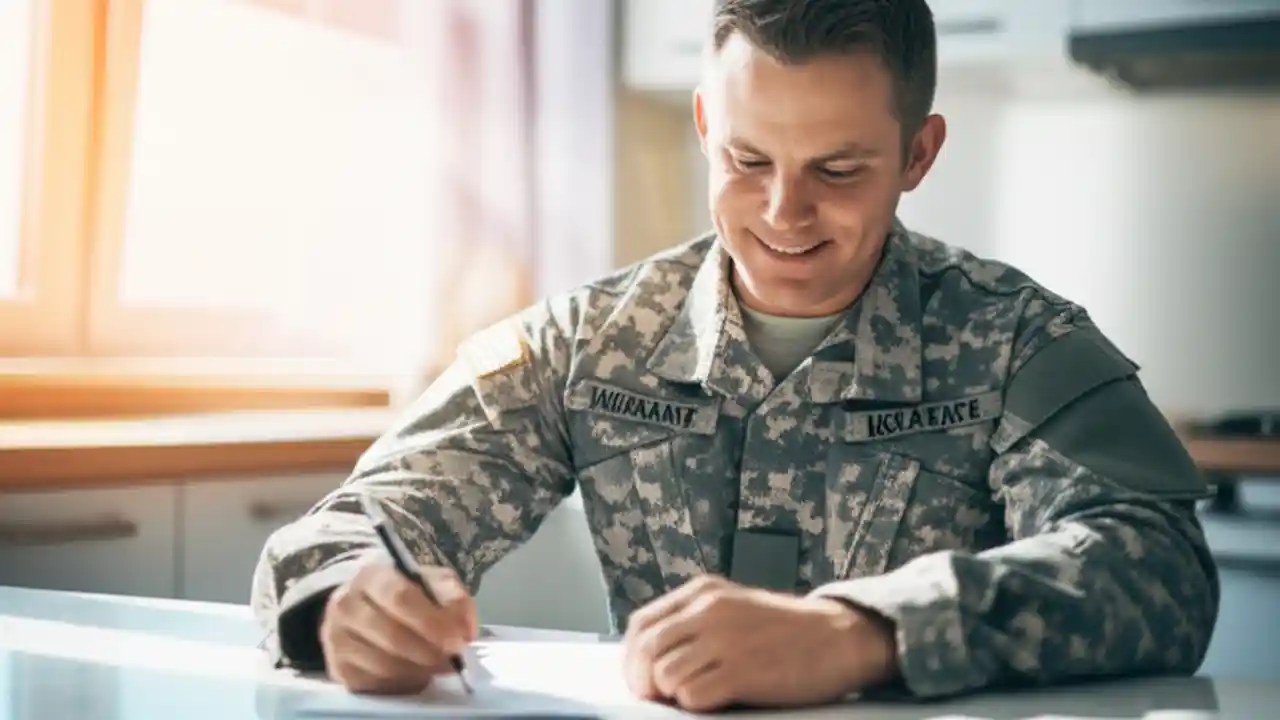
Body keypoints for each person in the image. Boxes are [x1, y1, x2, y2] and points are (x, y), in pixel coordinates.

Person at [251, 0, 1219, 712]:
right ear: (707, 126)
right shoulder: (586, 340)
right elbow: (356, 520)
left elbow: (1157, 566)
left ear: (917, 154)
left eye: (836, 170)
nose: (781, 213)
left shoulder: (1016, 341)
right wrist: (350, 596)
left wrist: (863, 633)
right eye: (747, 160)